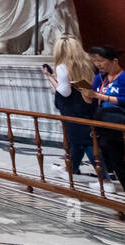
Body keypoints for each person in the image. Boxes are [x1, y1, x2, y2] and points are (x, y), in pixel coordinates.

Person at [41, 34, 98, 180]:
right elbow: (86, 85)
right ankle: (70, 168)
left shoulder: (62, 67)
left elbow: (64, 92)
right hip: (88, 104)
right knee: (78, 141)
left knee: (82, 141)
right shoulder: (88, 63)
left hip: (71, 108)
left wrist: (50, 77)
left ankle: (104, 178)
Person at [87, 46, 125, 194]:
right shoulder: (100, 78)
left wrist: (103, 97)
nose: (98, 65)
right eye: (95, 61)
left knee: (119, 160)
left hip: (119, 124)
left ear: (114, 61)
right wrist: (85, 93)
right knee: (113, 161)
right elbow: (92, 98)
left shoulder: (123, 77)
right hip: (103, 124)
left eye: (101, 61)